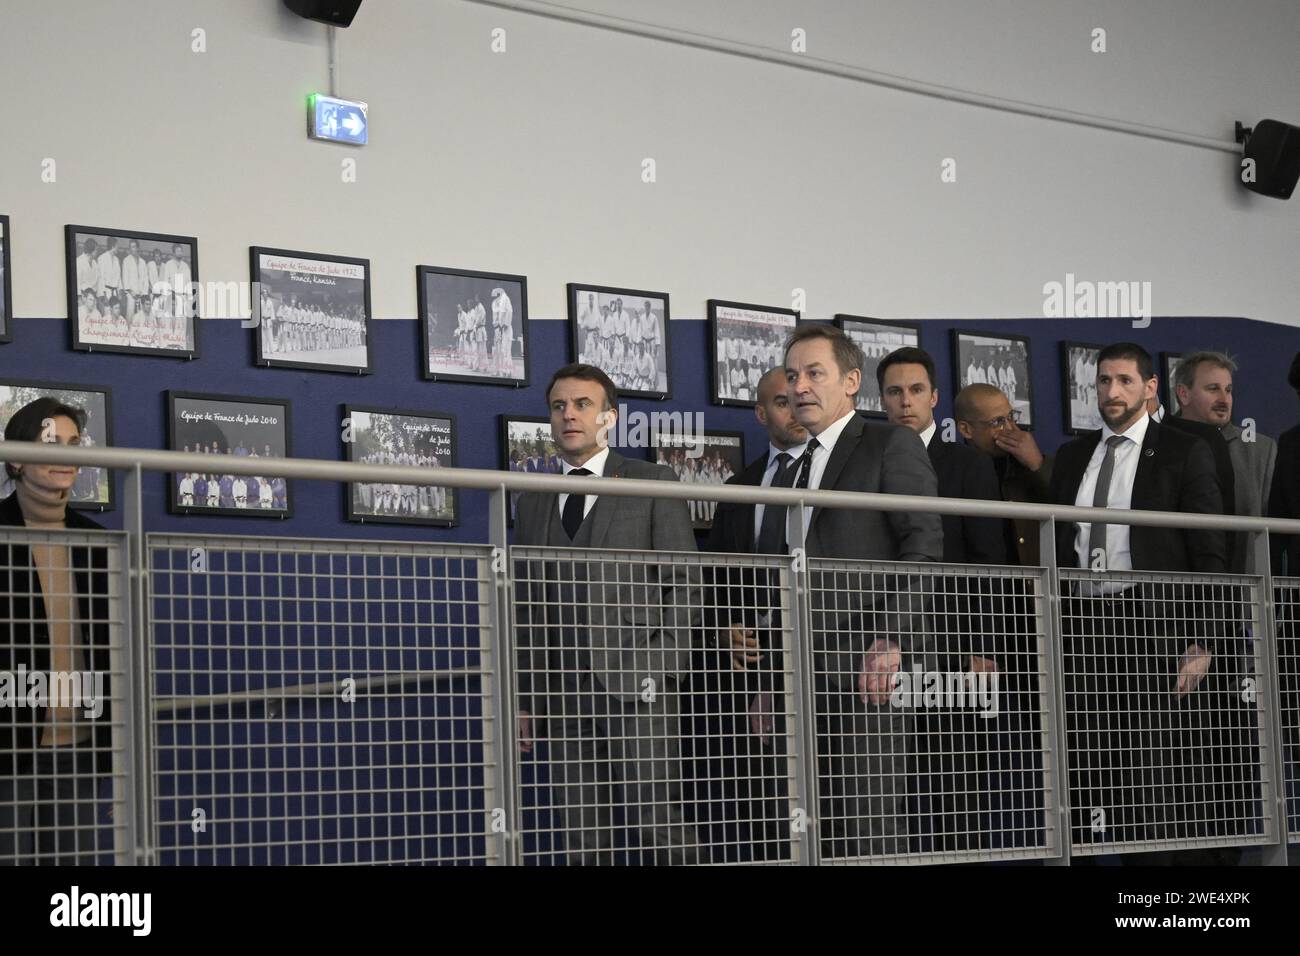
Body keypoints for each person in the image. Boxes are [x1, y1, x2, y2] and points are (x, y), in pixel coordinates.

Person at [1048, 342, 1234, 860]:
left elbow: (1210, 551)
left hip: (1152, 622)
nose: (1111, 391)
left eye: (1125, 381)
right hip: (1084, 624)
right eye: (1103, 381)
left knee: (1156, 772)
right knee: (1087, 769)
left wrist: (1204, 640)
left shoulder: (1182, 450)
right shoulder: (1071, 455)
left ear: (1151, 388)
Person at [513, 363, 703, 864]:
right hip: (561, 695)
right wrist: (527, 696)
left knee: (657, 822)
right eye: (559, 406)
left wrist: (662, 666)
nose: (569, 415)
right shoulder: (533, 499)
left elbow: (682, 583)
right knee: (581, 838)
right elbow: (525, 608)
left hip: (638, 685)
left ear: (609, 418)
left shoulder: (652, 479)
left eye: (582, 405)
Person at [781, 324, 942, 858]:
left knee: (869, 825)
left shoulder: (889, 442)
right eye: (792, 375)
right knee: (808, 827)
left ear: (852, 382)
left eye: (814, 373)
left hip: (872, 669)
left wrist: (891, 641)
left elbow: (922, 543)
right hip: (800, 673)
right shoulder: (792, 469)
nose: (799, 386)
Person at [878, 347, 1006, 851]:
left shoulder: (967, 463)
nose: (905, 402)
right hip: (888, 644)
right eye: (893, 392)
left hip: (956, 647)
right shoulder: (871, 456)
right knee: (894, 792)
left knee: (955, 792)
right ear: (880, 399)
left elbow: (989, 561)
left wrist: (983, 646)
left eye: (915, 391)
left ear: (934, 397)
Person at [0, 398, 113, 865]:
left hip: (81, 751)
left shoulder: (99, 541)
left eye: (73, 444)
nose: (66, 456)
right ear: (17, 458)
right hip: (8, 748)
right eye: (52, 443)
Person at [704, 366, 809, 861]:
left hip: (821, 661)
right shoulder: (737, 487)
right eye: (782, 402)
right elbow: (716, 582)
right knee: (758, 810)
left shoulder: (830, 476)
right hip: (746, 671)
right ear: (761, 413)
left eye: (799, 399)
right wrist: (723, 628)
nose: (795, 410)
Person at [1174, 351, 1277, 574]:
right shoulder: (1158, 444)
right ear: (1183, 394)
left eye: (1228, 390)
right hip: (1174, 594)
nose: (1224, 399)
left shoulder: (1261, 450)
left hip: (1245, 596)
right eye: (1213, 389)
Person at [955, 384, 1052, 566]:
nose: (1010, 428)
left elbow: (1067, 509)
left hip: (1028, 588)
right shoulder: (953, 472)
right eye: (998, 422)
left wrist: (1037, 464)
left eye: (1011, 417)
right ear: (966, 430)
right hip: (976, 586)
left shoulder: (1026, 465)